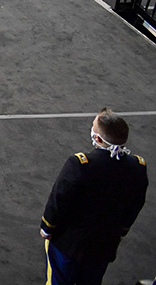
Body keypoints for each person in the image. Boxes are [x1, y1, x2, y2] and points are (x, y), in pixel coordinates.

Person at [40, 107, 148, 285]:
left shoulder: (80, 165)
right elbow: (136, 204)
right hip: (104, 245)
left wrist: (47, 226)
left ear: (97, 138)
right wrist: (122, 231)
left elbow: (60, 198)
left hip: (69, 244)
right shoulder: (137, 168)